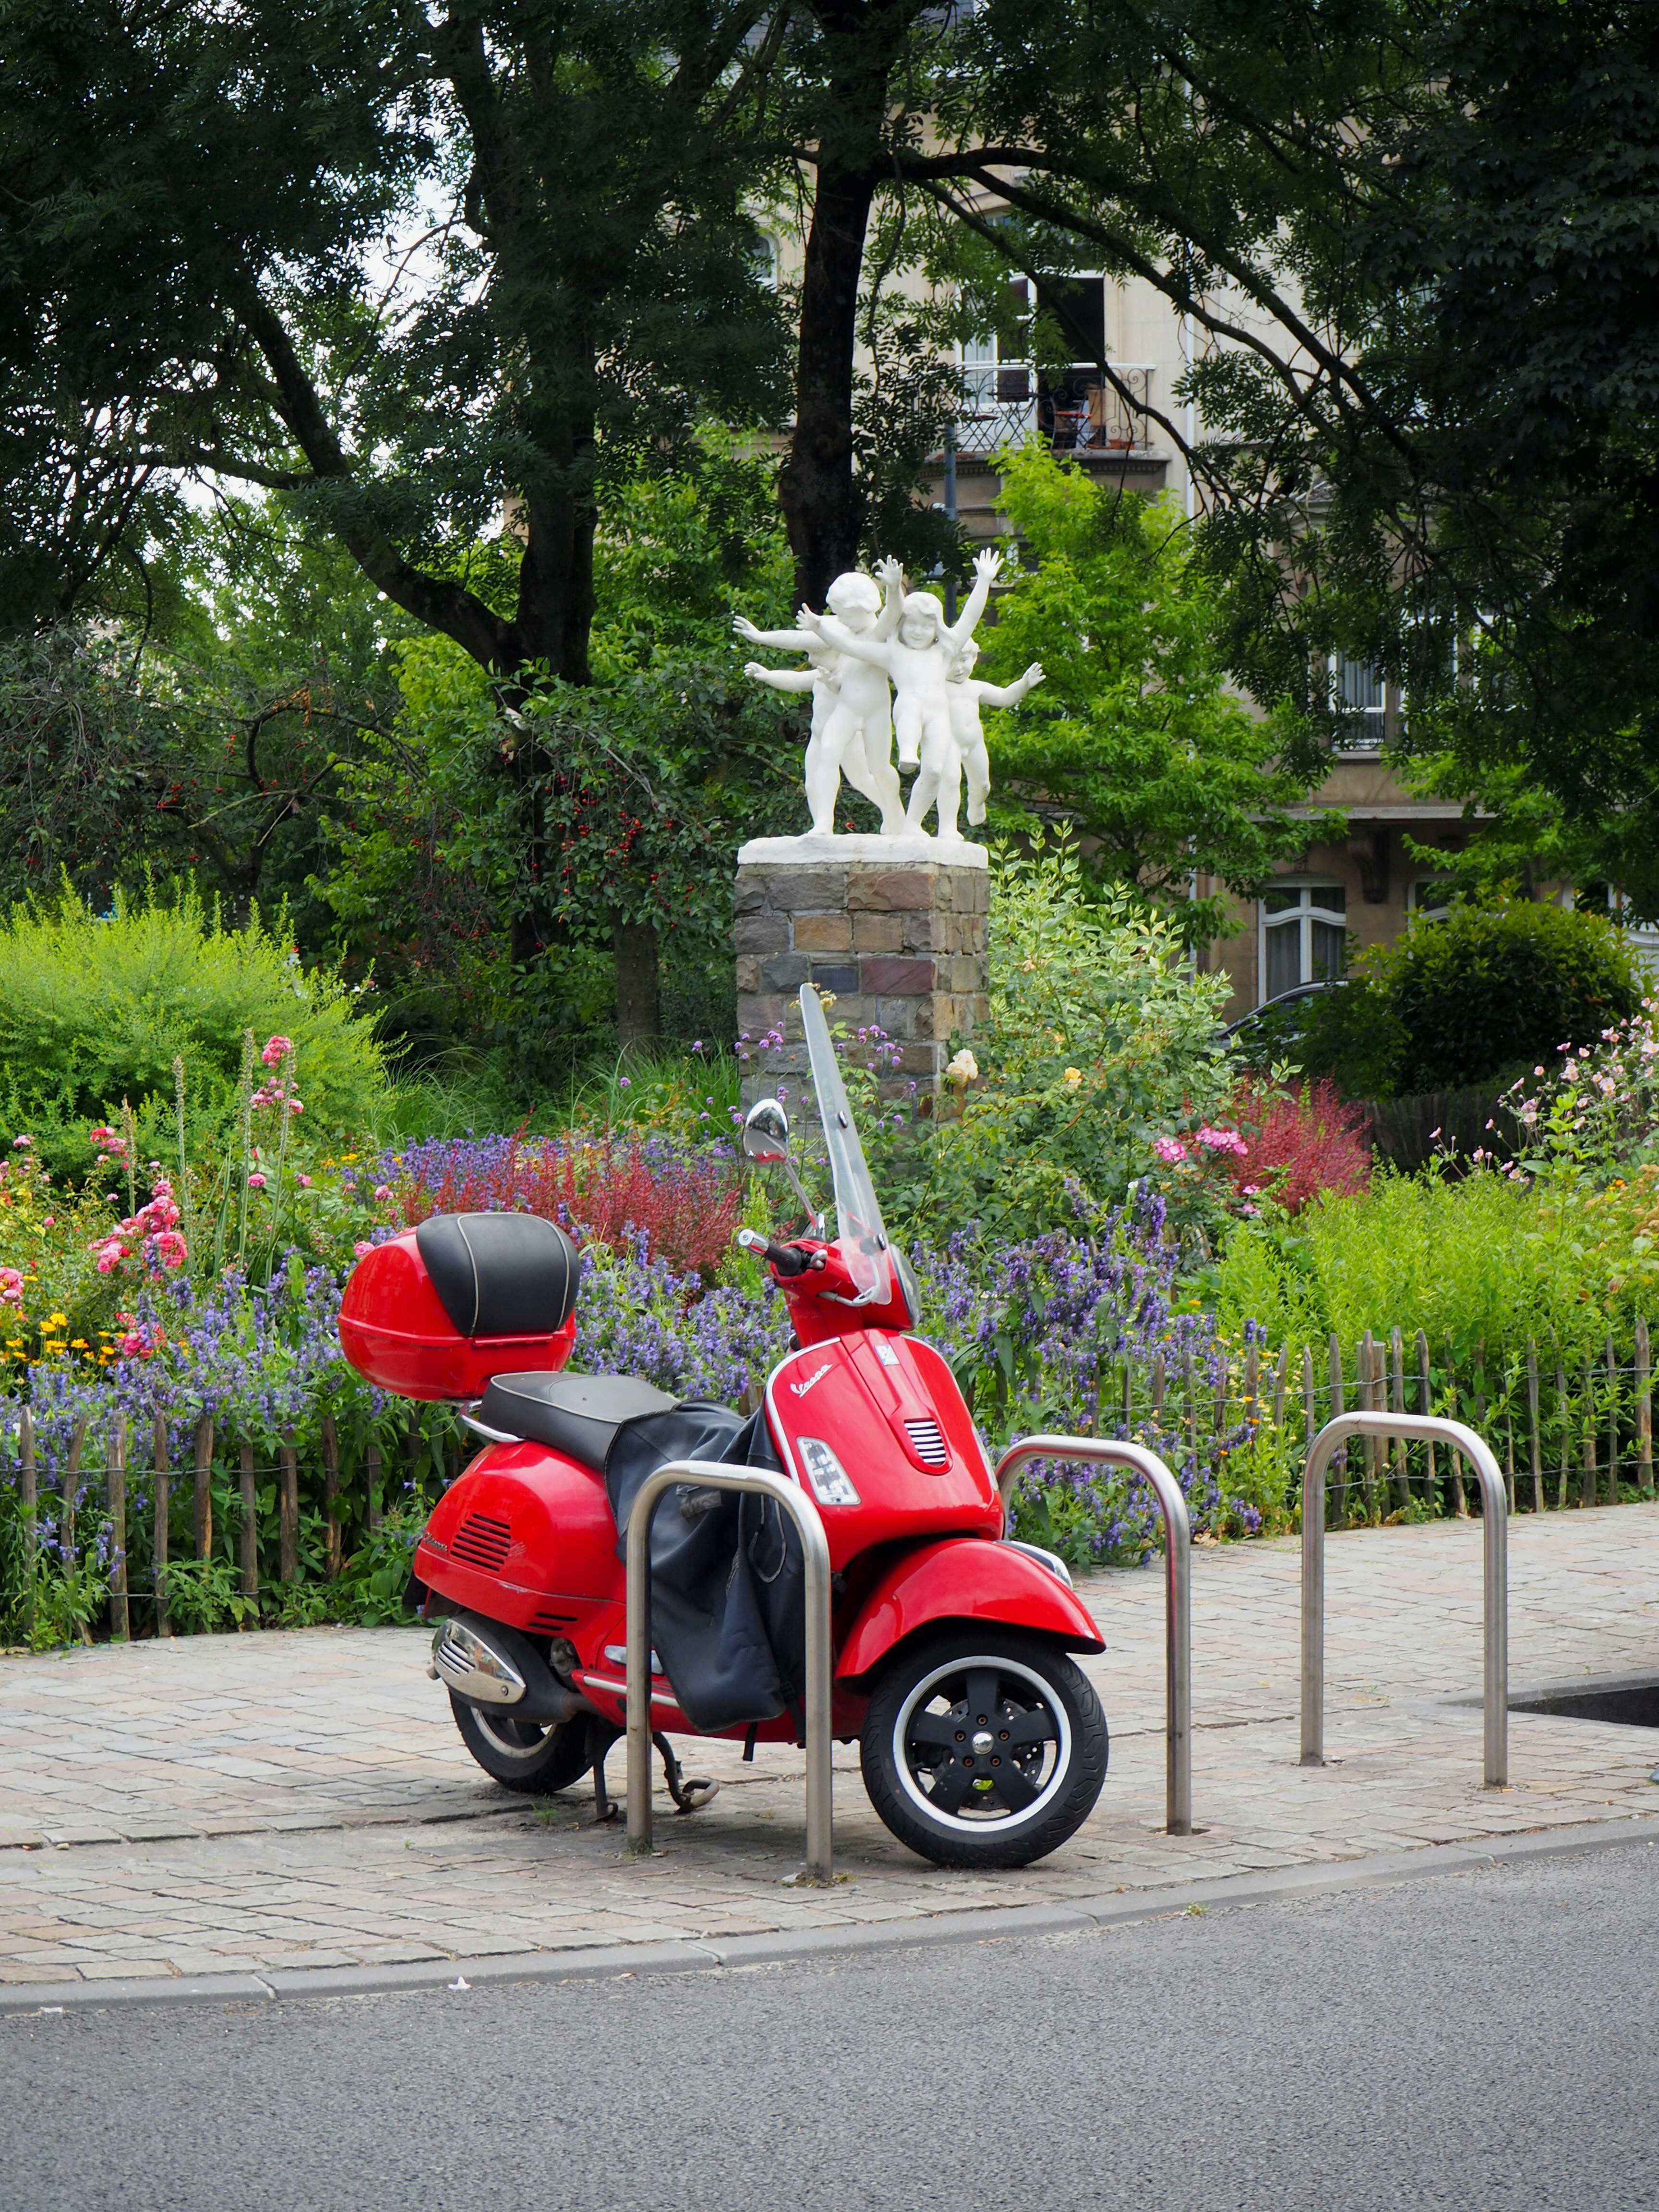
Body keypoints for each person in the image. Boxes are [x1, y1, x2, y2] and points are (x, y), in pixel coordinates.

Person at [734, 560, 907, 834]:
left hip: (874, 712)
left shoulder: (877, 634)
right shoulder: (844, 632)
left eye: (842, 614)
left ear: (861, 608)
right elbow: (800, 639)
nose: (838, 619)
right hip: (847, 711)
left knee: (876, 771)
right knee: (827, 754)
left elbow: (894, 610)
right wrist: (761, 638)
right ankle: (824, 825)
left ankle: (896, 814)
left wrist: (894, 586)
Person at [805, 549, 1003, 779]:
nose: (918, 632)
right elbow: (850, 647)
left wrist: (984, 581)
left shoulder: (945, 651)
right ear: (901, 626)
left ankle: (919, 806)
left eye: (927, 626)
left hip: (938, 713)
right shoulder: (892, 653)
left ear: (937, 628)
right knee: (911, 706)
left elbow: (970, 617)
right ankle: (908, 751)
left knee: (935, 772)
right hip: (910, 707)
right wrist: (819, 628)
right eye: (912, 625)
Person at [911, 636, 1044, 841]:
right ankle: (947, 828)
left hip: (974, 744)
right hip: (949, 743)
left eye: (964, 660)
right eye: (952, 662)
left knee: (983, 785)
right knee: (951, 780)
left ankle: (977, 804)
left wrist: (1024, 684)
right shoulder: (937, 688)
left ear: (974, 658)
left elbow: (1004, 697)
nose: (959, 669)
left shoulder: (975, 687)